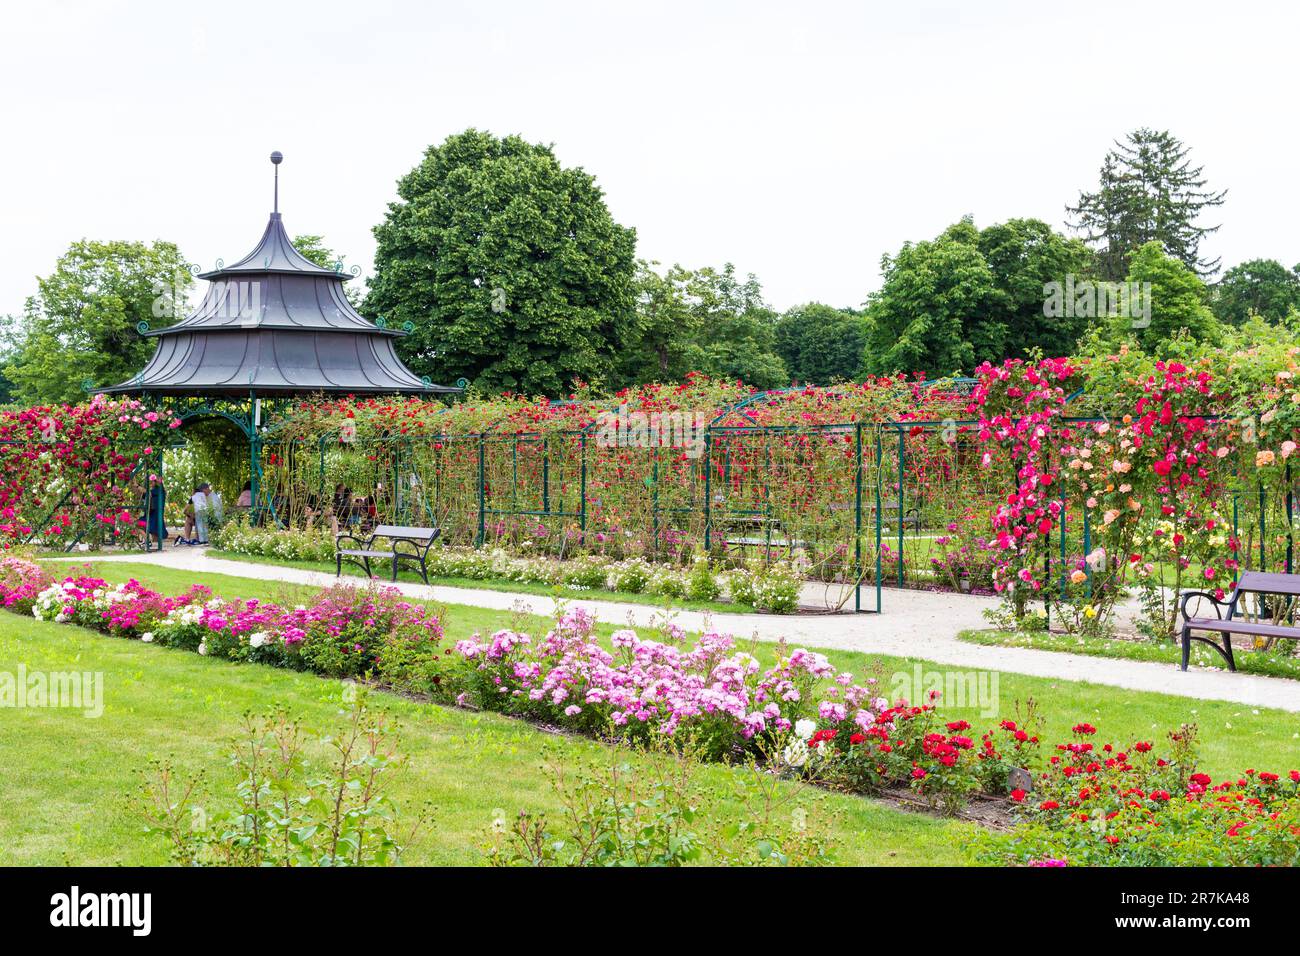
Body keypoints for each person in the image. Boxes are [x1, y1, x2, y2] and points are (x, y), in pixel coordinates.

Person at [140, 476, 167, 549]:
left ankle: (147, 541)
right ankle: (147, 540)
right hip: (151, 515)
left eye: (152, 482)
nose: (150, 484)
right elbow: (143, 493)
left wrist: (137, 486)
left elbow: (147, 491)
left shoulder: (158, 490)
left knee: (139, 524)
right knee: (140, 524)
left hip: (155, 517)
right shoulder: (153, 491)